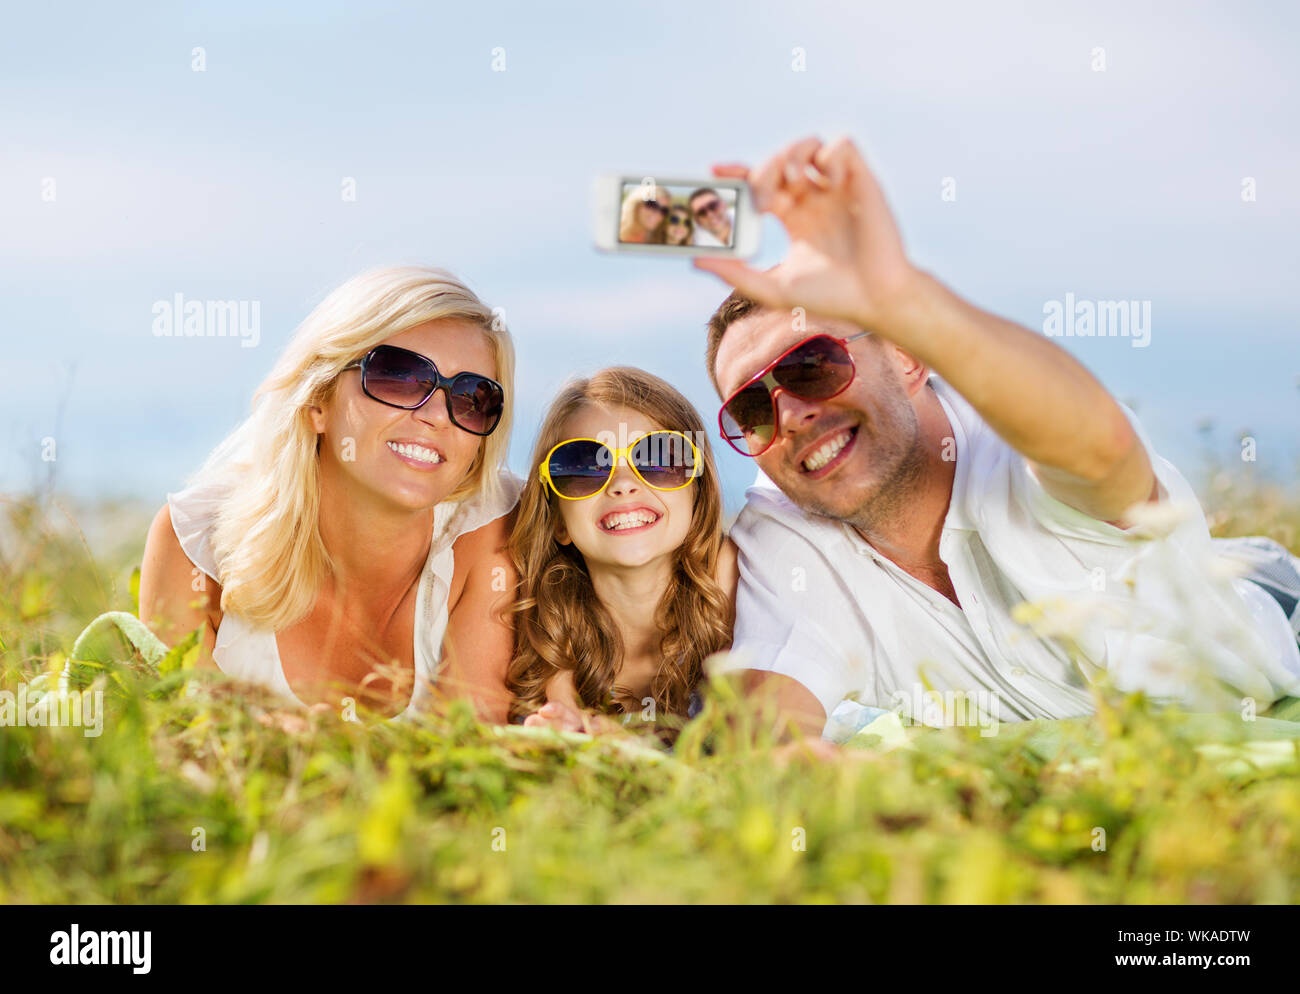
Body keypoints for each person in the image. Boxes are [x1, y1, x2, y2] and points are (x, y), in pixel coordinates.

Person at [694, 136, 1300, 740]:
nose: (792, 413)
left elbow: (1100, 450)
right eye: (751, 409)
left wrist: (901, 294)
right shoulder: (783, 534)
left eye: (811, 366)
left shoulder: (1018, 443)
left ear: (907, 355)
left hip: (1275, 627)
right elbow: (770, 720)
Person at [138, 266, 522, 721]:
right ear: (318, 401)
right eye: (399, 377)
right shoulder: (194, 545)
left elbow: (468, 759)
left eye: (471, 398)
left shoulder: (495, 530)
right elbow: (189, 749)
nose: (437, 415)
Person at [507, 367, 737, 738]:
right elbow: (559, 718)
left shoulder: (735, 592)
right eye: (584, 467)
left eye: (659, 459)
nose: (623, 484)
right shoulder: (545, 618)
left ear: (698, 494)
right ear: (558, 523)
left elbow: (743, 742)